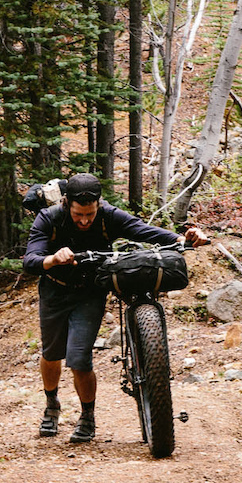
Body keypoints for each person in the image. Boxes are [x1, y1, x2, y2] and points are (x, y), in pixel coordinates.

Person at [22, 173, 205, 443]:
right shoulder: (49, 218)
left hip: (91, 291)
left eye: (90, 214)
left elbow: (145, 231)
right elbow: (30, 259)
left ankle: (87, 416)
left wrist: (182, 239)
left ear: (98, 205)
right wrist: (52, 258)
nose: (84, 221)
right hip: (55, 290)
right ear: (66, 204)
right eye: (77, 215)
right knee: (51, 354)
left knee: (80, 358)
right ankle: (52, 404)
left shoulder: (109, 216)